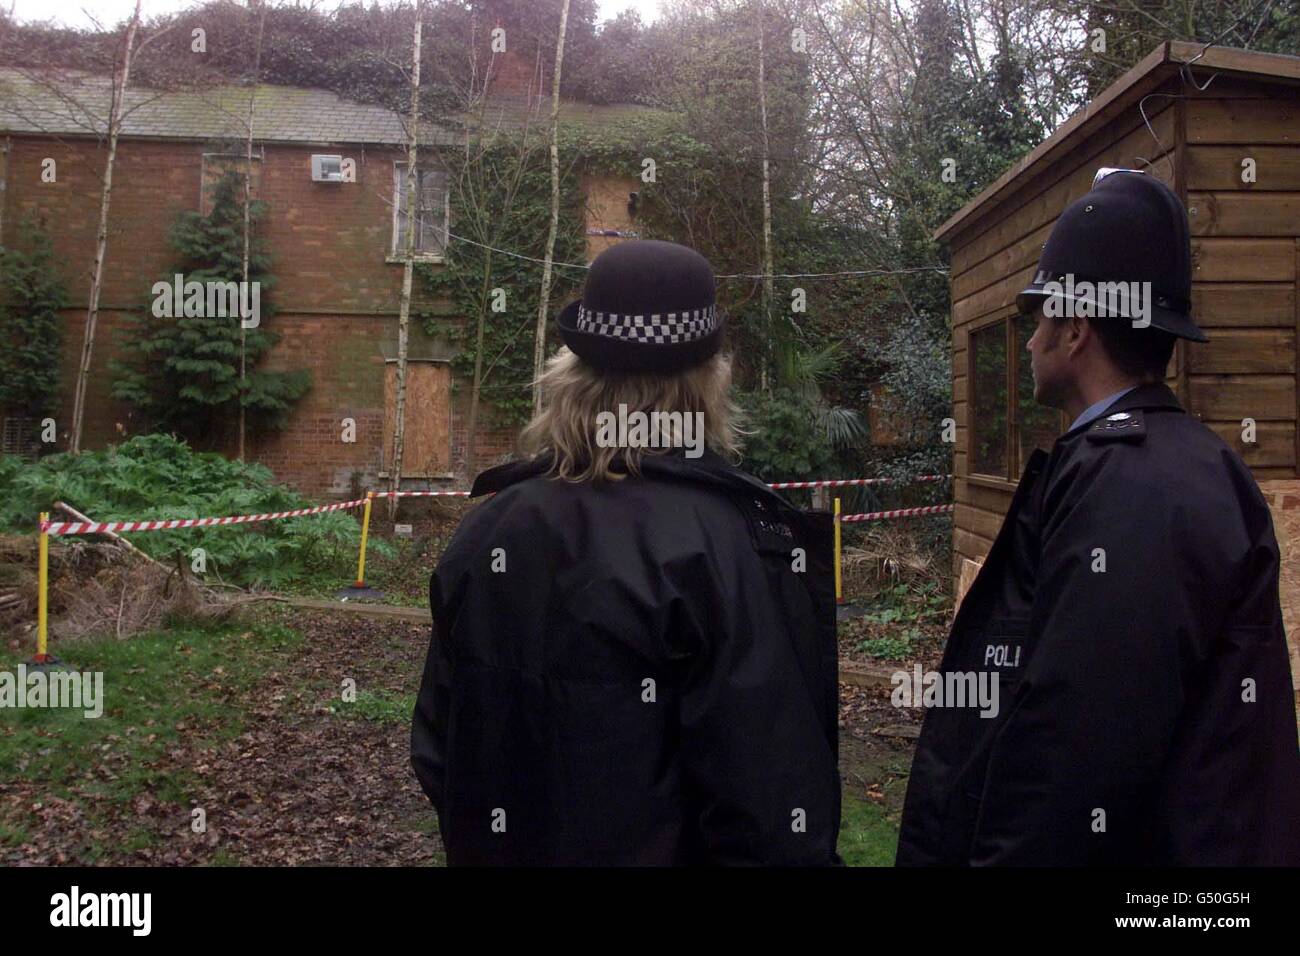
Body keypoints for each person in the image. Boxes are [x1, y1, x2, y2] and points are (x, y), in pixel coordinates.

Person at [897, 169, 1300, 866]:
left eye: (1039, 318)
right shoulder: (1192, 466)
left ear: (1077, 327)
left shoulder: (1127, 486)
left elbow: (1072, 754)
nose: (1027, 342)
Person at [411, 239, 841, 865]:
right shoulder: (731, 544)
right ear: (708, 378)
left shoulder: (487, 530)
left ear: (572, 374)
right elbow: (770, 811)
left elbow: (440, 751)